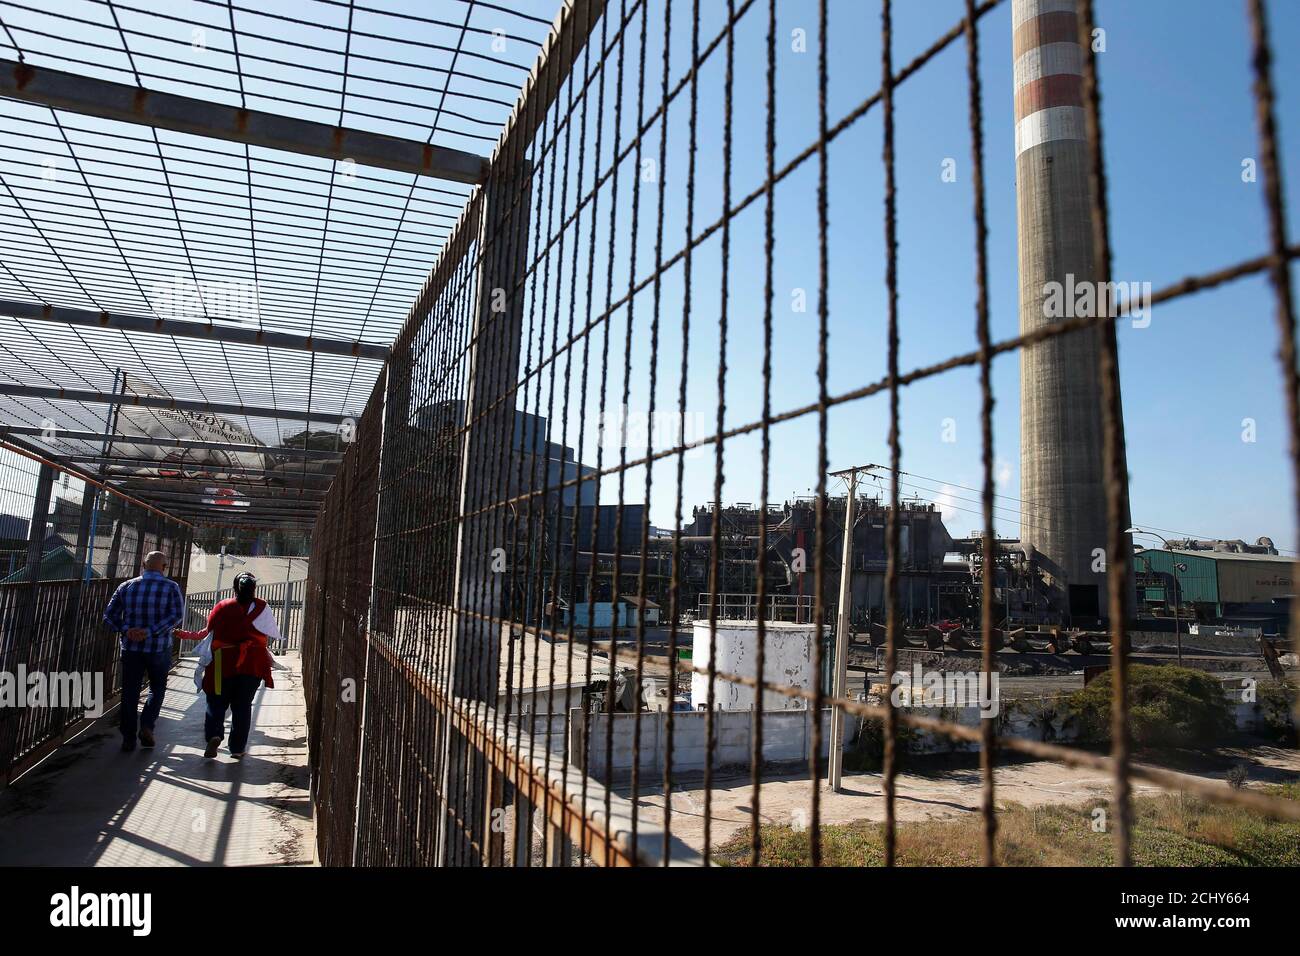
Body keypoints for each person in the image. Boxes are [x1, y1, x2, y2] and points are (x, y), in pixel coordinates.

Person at [175, 572, 275, 760]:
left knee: (216, 700)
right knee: (242, 705)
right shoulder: (263, 607)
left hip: (222, 663)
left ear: (235, 588)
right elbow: (268, 635)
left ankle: (214, 734)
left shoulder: (222, 606)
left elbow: (206, 632)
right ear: (254, 589)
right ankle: (237, 748)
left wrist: (186, 635)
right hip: (252, 664)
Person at [103, 551, 185, 752]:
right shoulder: (171, 587)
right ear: (164, 567)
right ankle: (147, 725)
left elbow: (109, 616)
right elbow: (176, 616)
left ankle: (128, 738)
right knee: (157, 687)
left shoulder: (126, 586)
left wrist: (126, 630)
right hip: (158, 647)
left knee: (130, 691)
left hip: (131, 648)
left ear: (143, 564)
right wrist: (150, 632)